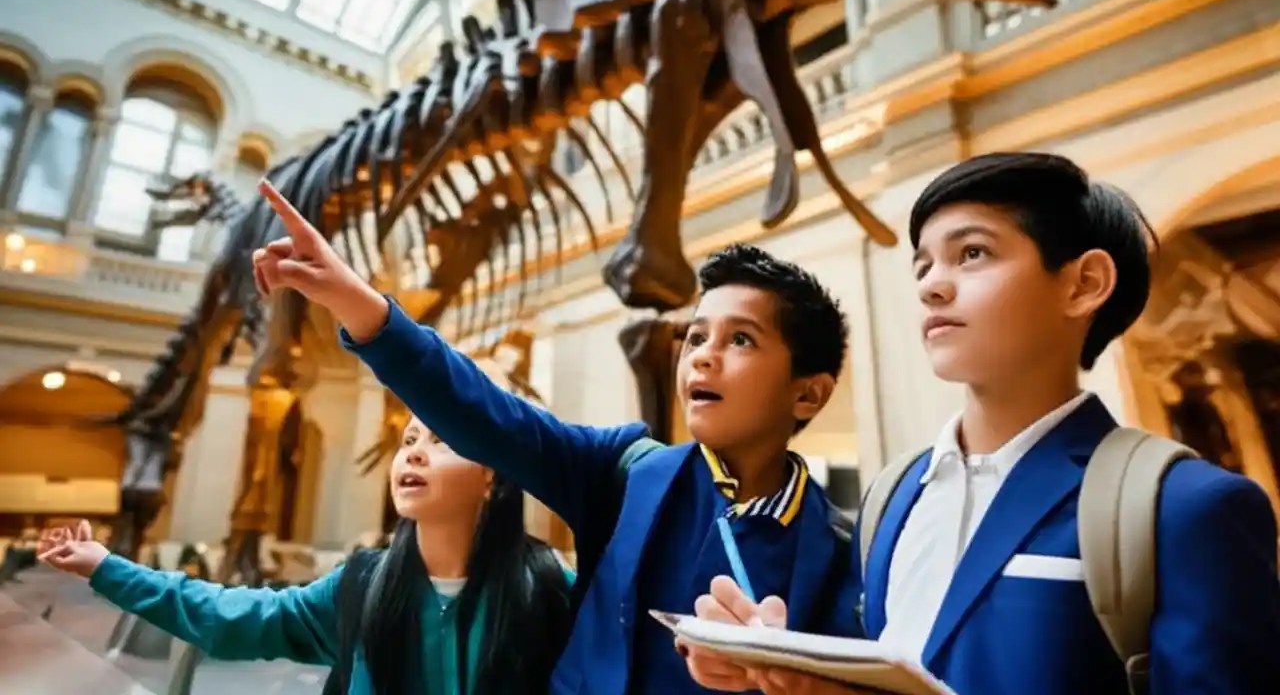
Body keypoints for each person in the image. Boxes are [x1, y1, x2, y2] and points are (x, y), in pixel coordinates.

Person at [683, 152, 1280, 694]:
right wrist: (786, 664)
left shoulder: (1185, 510)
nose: (932, 287)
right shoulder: (891, 500)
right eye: (923, 266)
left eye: (973, 253)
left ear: (1084, 284)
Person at [250, 179, 859, 693]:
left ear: (808, 393)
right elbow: (483, 411)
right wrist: (353, 301)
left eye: (741, 339)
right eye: (696, 336)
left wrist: (789, 679)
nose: (701, 356)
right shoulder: (623, 470)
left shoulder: (840, 551)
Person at [37, 415, 574, 695]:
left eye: (442, 441)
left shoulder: (549, 586)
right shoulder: (362, 584)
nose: (413, 453)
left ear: (492, 478)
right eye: (409, 439)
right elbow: (234, 617)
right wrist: (105, 567)